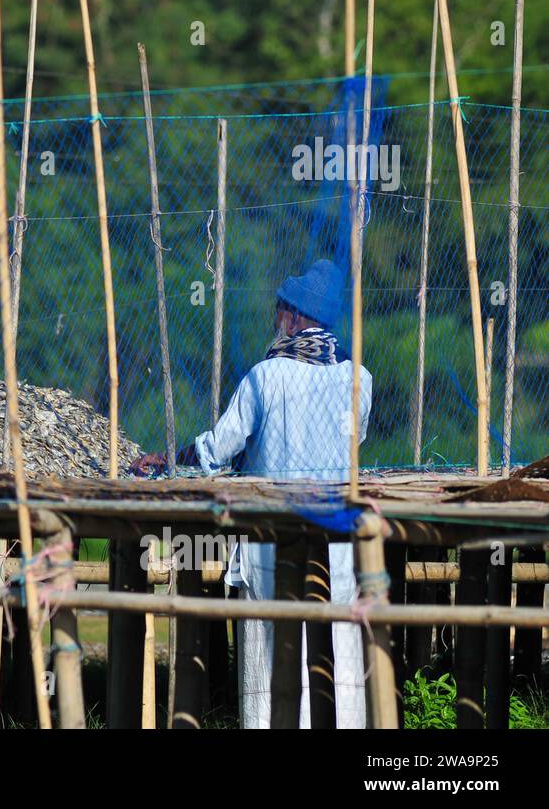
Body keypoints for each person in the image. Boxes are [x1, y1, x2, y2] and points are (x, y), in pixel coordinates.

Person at [131, 259, 371, 729]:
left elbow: (218, 450)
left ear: (296, 318)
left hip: (271, 547)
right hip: (339, 549)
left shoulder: (266, 376)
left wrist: (167, 458)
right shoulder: (359, 380)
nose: (276, 318)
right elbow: (351, 446)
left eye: (281, 310)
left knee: (270, 652)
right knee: (337, 652)